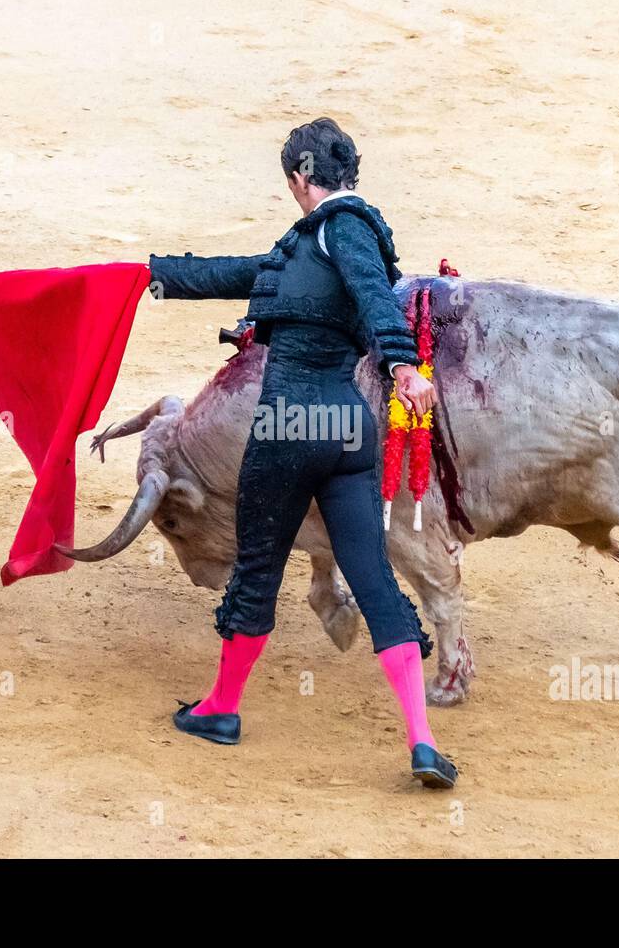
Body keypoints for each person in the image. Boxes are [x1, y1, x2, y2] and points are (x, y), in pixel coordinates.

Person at [147, 117, 457, 788]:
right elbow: (235, 273)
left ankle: (222, 709)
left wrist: (404, 365)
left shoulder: (339, 233)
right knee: (372, 577)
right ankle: (422, 742)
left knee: (258, 569)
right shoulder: (317, 246)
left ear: (299, 178)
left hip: (288, 424)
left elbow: (378, 301)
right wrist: (149, 277)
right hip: (346, 429)